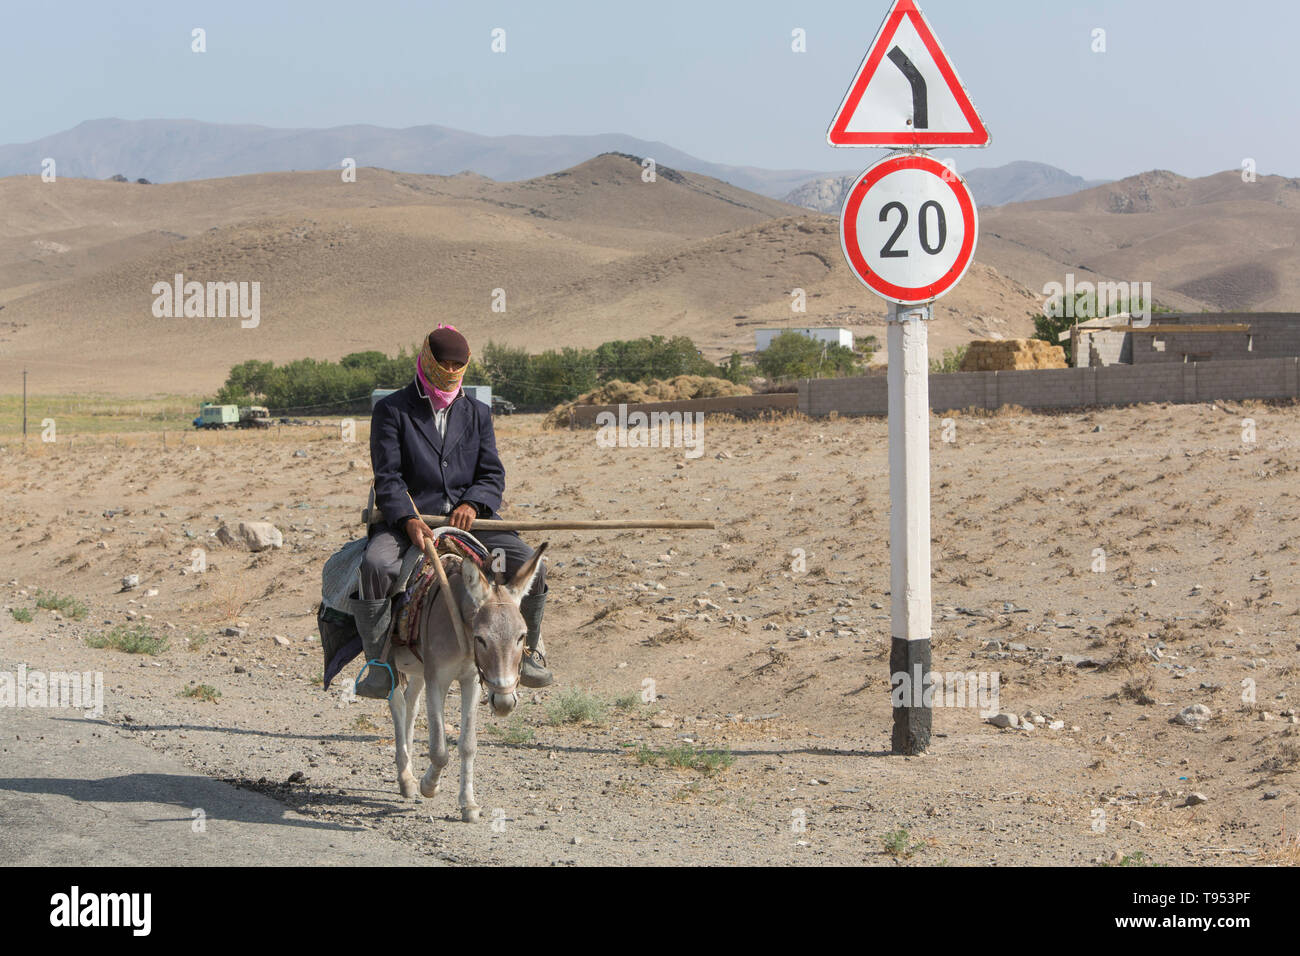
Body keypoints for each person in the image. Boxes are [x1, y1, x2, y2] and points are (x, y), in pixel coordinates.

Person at [353, 324, 551, 698]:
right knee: (375, 567)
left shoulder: (477, 412)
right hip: (411, 522)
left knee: (530, 563)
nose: (449, 375)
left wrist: (472, 503)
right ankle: (379, 666)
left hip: (474, 524)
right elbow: (388, 477)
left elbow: (492, 473)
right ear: (426, 360)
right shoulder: (392, 410)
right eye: (443, 366)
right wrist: (408, 519)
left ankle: (528, 655)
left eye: (457, 368)